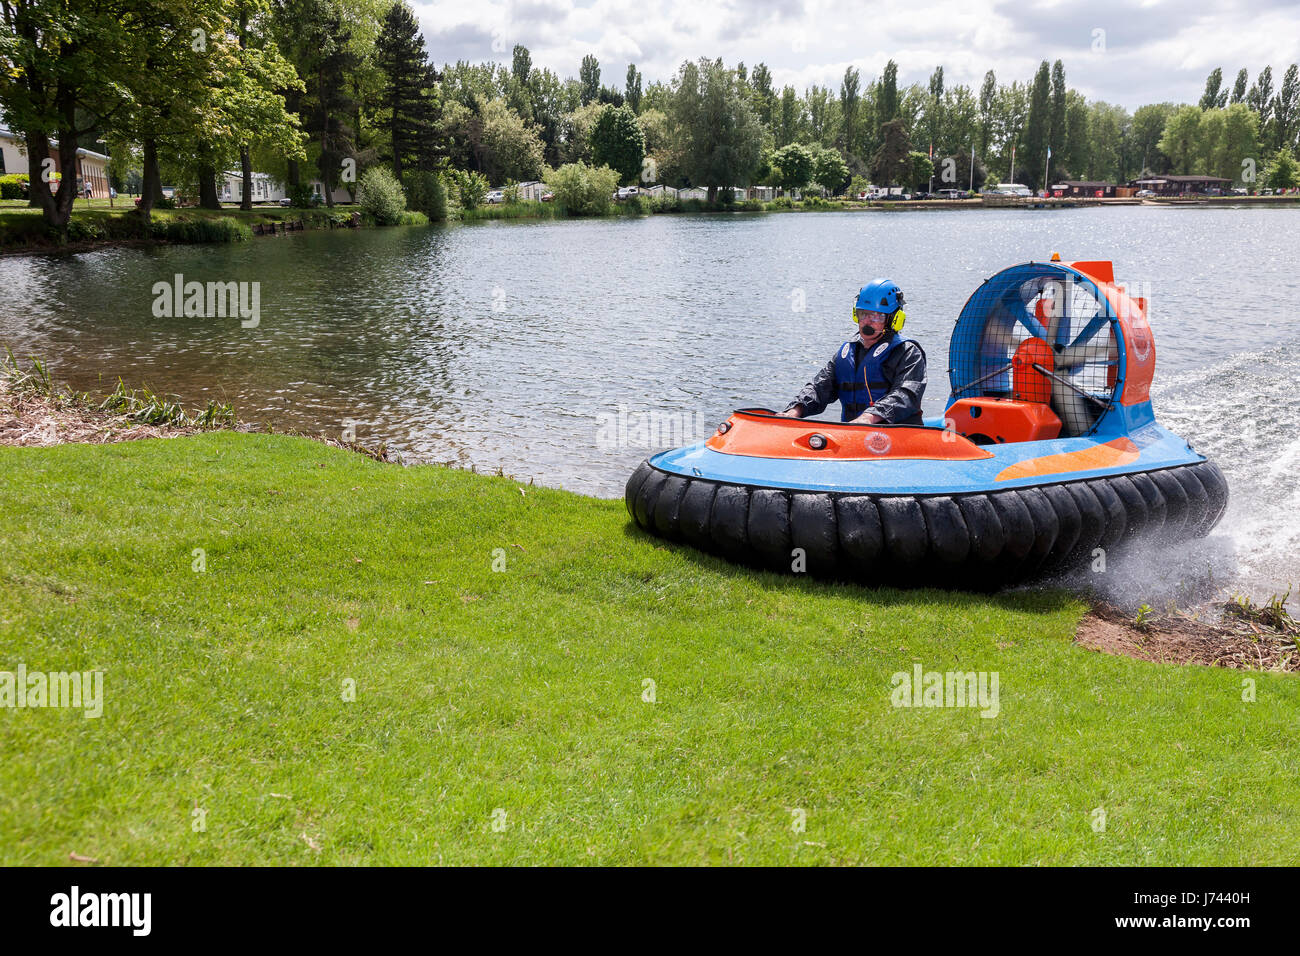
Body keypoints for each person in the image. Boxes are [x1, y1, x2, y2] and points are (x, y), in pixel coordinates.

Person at [780, 279, 927, 425]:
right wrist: (795, 410)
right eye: (863, 314)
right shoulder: (847, 352)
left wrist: (869, 417)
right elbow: (819, 387)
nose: (867, 321)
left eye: (877, 316)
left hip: (895, 434)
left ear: (893, 319)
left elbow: (906, 395)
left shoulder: (908, 352)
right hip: (855, 433)